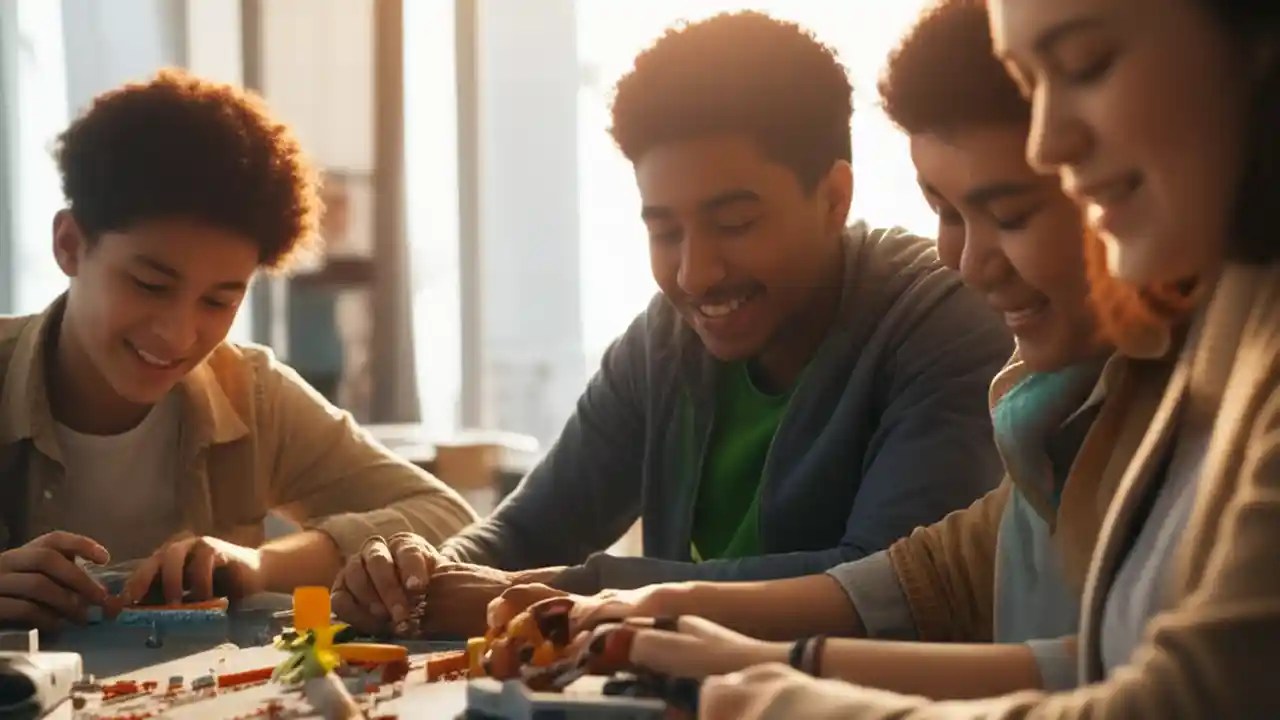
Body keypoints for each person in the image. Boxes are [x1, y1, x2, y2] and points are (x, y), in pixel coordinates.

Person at [487, 0, 1170, 699]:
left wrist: (776, 670)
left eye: (1010, 214)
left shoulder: (951, 324)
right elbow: (932, 577)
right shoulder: (1065, 403)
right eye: (944, 211)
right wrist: (660, 609)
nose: (970, 262)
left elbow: (1146, 691)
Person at [331, 11, 1013, 638]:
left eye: (734, 224)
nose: (695, 274)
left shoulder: (943, 319)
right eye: (664, 232)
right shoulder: (663, 344)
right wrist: (417, 573)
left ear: (835, 198)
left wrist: (575, 595)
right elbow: (524, 534)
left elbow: (888, 592)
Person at [693, 0, 1280, 717]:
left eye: (1087, 65)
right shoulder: (1215, 332)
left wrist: (784, 694)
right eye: (1030, 82)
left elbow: (1182, 697)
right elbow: (951, 571)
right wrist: (682, 615)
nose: (1050, 144)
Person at [0, 70, 478, 634]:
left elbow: (447, 518)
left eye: (219, 300)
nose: (178, 336)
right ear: (70, 246)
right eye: (150, 285)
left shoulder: (248, 393)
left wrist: (259, 567)